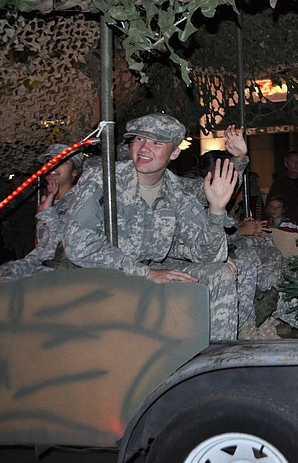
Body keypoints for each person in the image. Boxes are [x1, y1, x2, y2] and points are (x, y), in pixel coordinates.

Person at [61, 113, 241, 341]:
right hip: (105, 277)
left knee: (220, 273)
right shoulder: (102, 179)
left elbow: (207, 254)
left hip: (151, 273)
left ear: (174, 152)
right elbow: (79, 245)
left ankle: (214, 361)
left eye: (156, 142)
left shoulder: (177, 192)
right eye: (138, 139)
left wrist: (216, 210)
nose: (144, 148)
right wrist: (145, 273)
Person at [0, 144, 83, 278]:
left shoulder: (82, 201)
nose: (52, 165)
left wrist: (48, 214)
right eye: (49, 161)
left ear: (74, 172)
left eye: (61, 161)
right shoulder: (48, 204)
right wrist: (5, 271)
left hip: (68, 278)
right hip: (42, 276)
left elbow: (71, 247)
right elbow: (39, 256)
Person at [267, 150, 298, 228]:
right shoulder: (279, 184)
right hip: (286, 225)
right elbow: (271, 204)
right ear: (286, 164)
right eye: (292, 161)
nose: (296, 164)